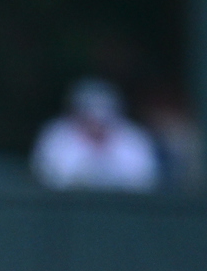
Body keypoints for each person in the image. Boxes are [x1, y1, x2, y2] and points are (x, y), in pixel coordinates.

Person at [31, 78, 159, 191]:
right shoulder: (56, 135)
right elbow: (49, 177)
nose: (96, 125)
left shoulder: (134, 138)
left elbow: (145, 179)